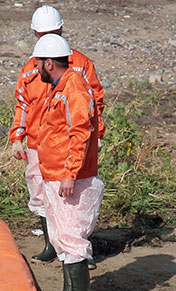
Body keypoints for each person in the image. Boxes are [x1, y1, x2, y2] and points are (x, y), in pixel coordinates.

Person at [10, 5, 104, 264]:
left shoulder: (79, 66)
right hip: (39, 144)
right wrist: (17, 137)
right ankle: (54, 246)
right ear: (35, 34)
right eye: (43, 34)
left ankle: (75, 252)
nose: (48, 37)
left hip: (69, 144)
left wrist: (95, 135)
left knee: (74, 202)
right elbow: (23, 104)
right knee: (44, 196)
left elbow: (93, 104)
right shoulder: (32, 67)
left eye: (52, 33)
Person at [32, 34, 104, 291]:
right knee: (60, 235)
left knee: (72, 236)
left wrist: (70, 174)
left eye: (38, 63)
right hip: (56, 174)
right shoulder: (61, 86)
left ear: (49, 63)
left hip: (70, 177)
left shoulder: (73, 89)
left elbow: (80, 133)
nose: (36, 68)